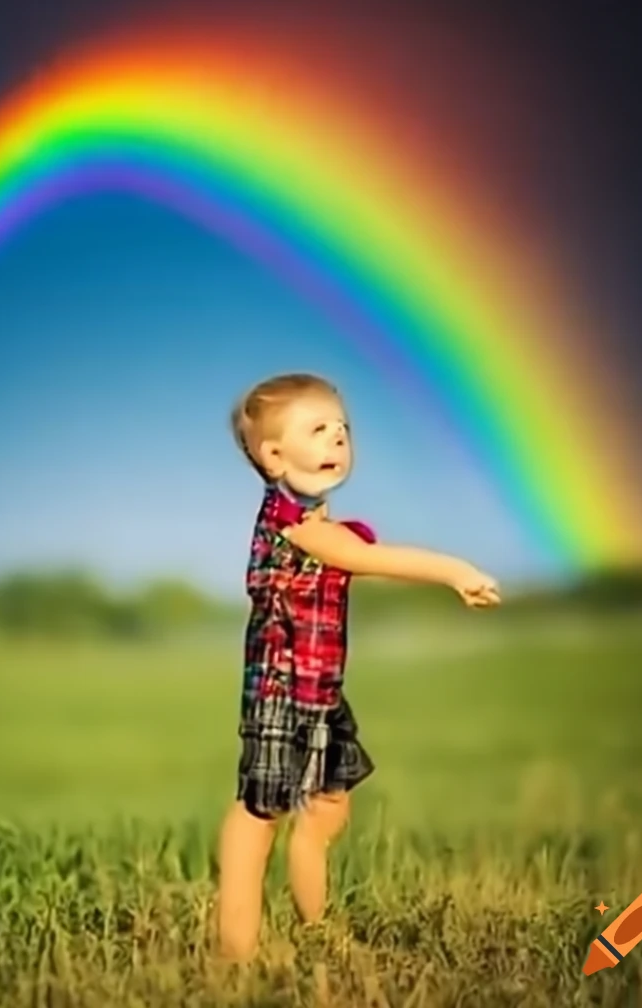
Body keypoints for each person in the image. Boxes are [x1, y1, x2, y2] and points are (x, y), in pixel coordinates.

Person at [217, 372, 500, 962]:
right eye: (318, 429)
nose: (338, 439)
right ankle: (234, 950)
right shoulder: (292, 525)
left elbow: (349, 548)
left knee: (327, 808)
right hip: (281, 692)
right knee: (259, 814)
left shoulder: (317, 522)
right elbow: (365, 558)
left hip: (321, 690)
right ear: (274, 457)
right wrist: (454, 571)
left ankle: (315, 928)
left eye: (343, 429)